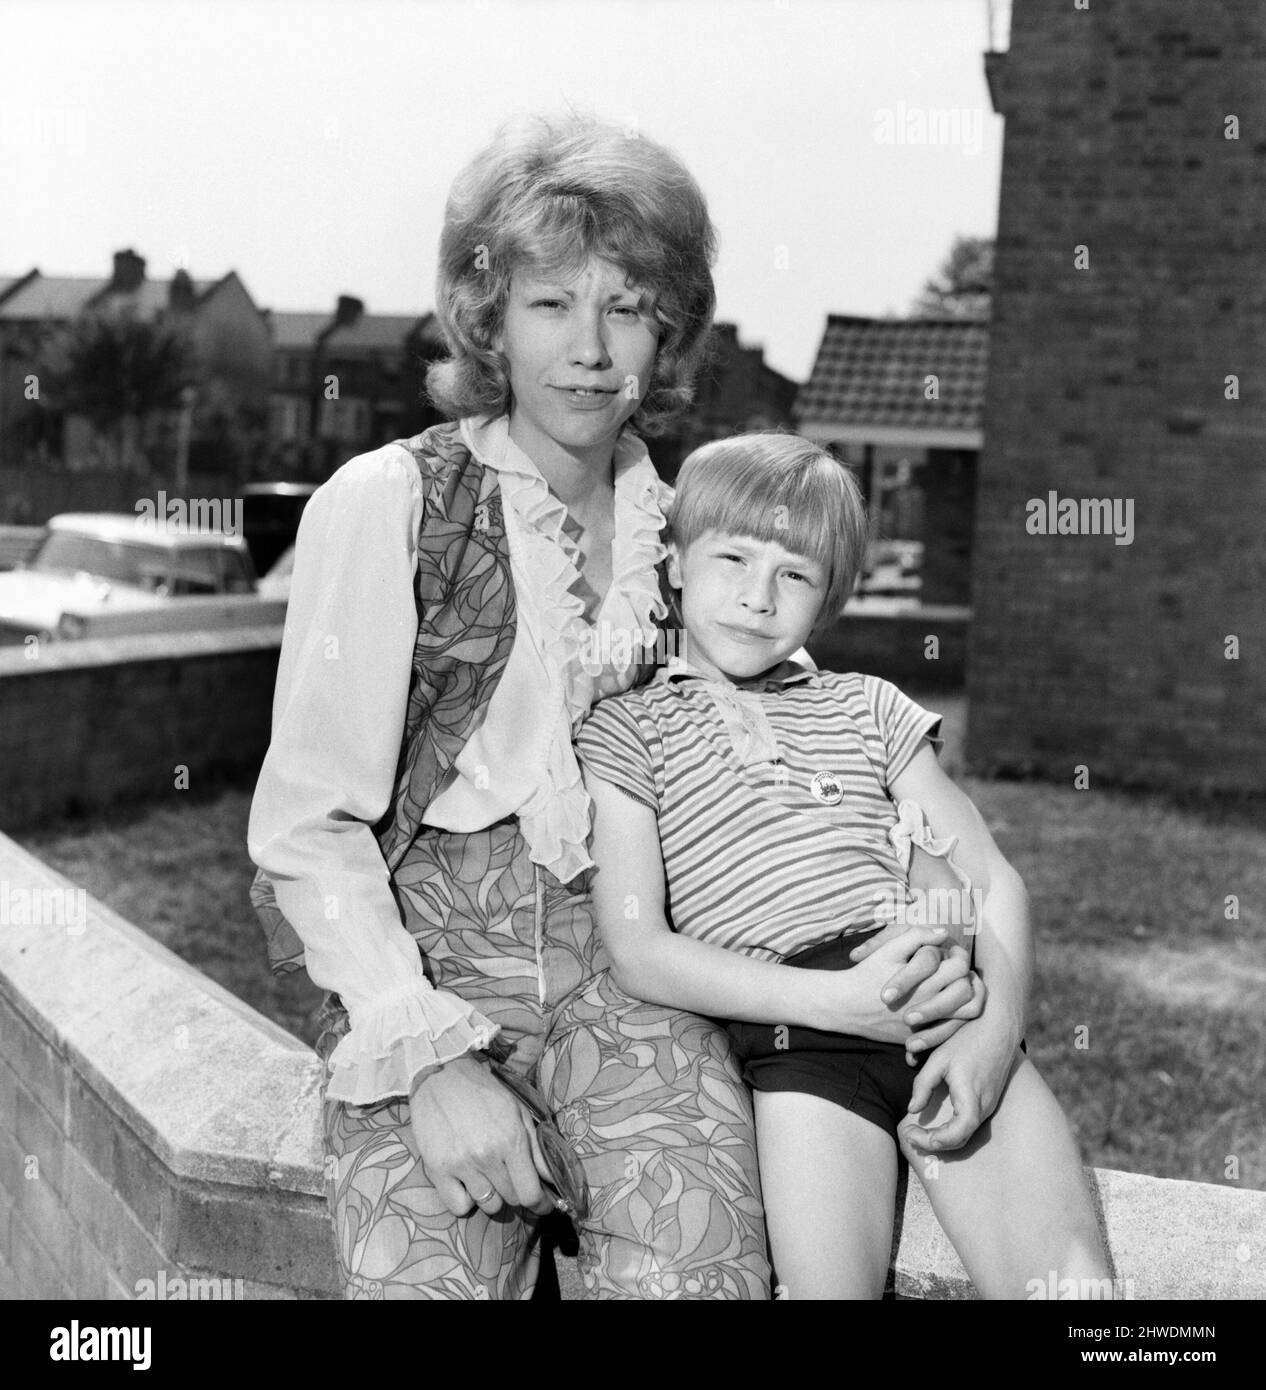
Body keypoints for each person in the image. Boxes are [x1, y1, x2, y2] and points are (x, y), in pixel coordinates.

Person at [248, 116, 981, 1301]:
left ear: (670, 329)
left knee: (704, 1276)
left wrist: (919, 919)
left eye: (627, 307)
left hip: (638, 965)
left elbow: (800, 753)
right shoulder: (385, 500)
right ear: (488, 320)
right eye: (550, 306)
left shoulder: (692, 534)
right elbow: (306, 825)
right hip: (430, 962)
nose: (591, 352)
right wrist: (426, 1061)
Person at [576, 432, 1113, 1299]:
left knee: (1076, 1295)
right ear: (672, 564)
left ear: (829, 596)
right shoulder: (627, 733)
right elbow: (639, 949)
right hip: (799, 1044)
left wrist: (993, 1033)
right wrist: (839, 1005)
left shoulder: (867, 708)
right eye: (732, 559)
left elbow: (990, 879)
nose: (757, 598)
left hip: (942, 1011)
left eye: (795, 574)